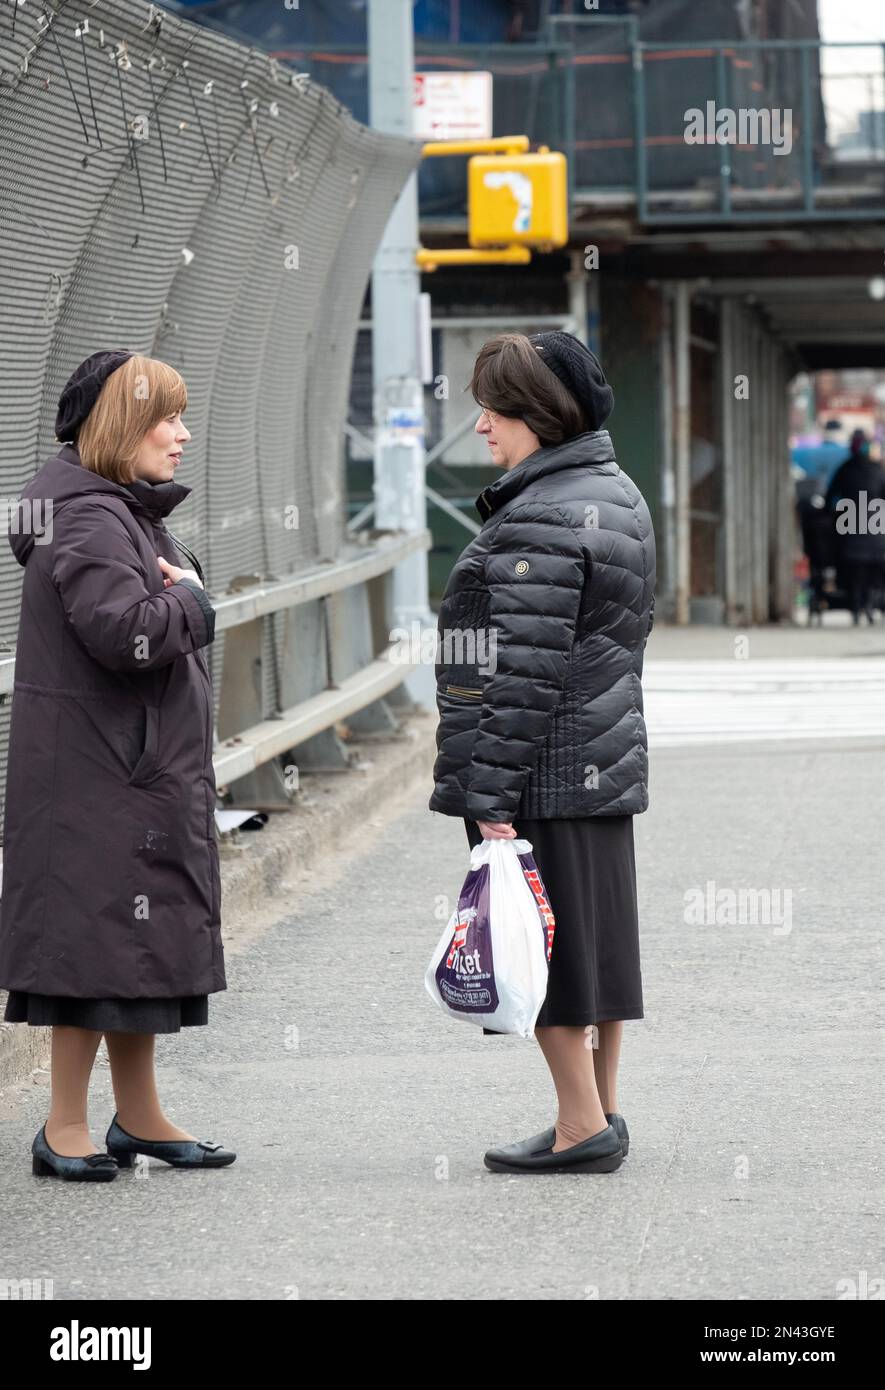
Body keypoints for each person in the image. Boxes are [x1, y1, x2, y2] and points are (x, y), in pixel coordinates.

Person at [0, 350, 235, 1180]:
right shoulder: (94, 516)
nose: (182, 435)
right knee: (91, 949)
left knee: (136, 947)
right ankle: (64, 1126)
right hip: (101, 774)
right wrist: (193, 603)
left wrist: (186, 596)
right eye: (165, 419)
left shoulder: (118, 510)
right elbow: (124, 632)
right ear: (119, 427)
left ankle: (139, 1116)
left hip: (126, 767)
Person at [429, 331, 656, 1174]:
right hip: (597, 757)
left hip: (544, 768)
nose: (482, 424)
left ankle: (577, 1126)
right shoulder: (611, 489)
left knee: (547, 946)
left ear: (539, 413)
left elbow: (519, 673)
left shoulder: (544, 513)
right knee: (594, 944)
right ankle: (599, 1108)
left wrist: (487, 793)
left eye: (496, 408)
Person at [825, 429, 885, 624]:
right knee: (872, 572)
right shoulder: (877, 471)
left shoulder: (845, 469)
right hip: (876, 538)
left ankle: (857, 604)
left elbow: (829, 498)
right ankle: (868, 603)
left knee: (850, 567)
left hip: (849, 536)